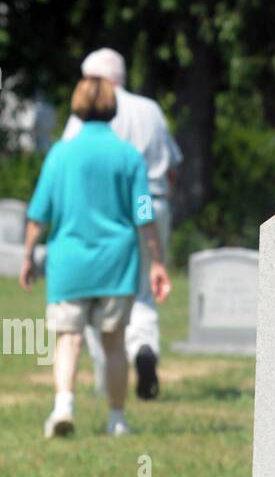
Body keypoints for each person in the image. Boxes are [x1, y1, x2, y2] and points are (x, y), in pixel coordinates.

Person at [19, 77, 171, 437]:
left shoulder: (60, 154)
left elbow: (39, 214)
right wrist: (158, 261)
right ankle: (117, 419)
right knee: (114, 342)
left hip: (68, 264)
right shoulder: (130, 157)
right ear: (112, 109)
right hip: (117, 264)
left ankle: (63, 407)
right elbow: (144, 213)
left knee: (68, 339)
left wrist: (27, 255)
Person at [62, 47, 182, 399]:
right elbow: (173, 163)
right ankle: (143, 348)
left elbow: (71, 164)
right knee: (143, 292)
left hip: (107, 212)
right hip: (153, 204)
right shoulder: (151, 110)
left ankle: (107, 380)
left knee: (101, 295)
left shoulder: (87, 114)